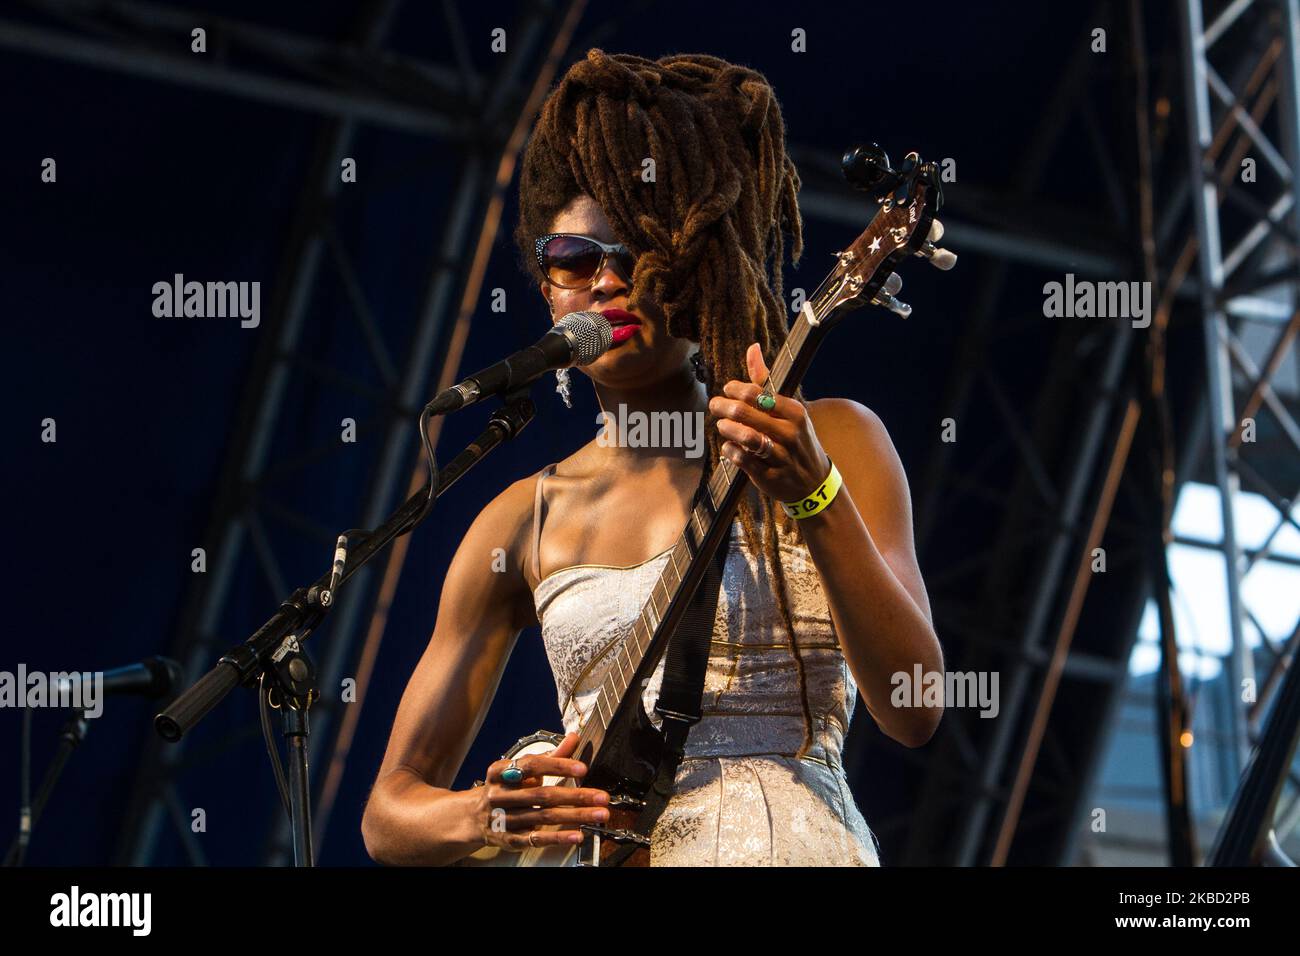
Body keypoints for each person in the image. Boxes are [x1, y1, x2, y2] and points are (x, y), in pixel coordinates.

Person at [361, 49, 943, 866]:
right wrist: (492, 814)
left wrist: (816, 496)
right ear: (545, 286)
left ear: (693, 272)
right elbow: (390, 814)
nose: (602, 283)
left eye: (632, 257)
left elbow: (914, 707)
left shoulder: (834, 437)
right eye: (570, 259)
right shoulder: (524, 519)